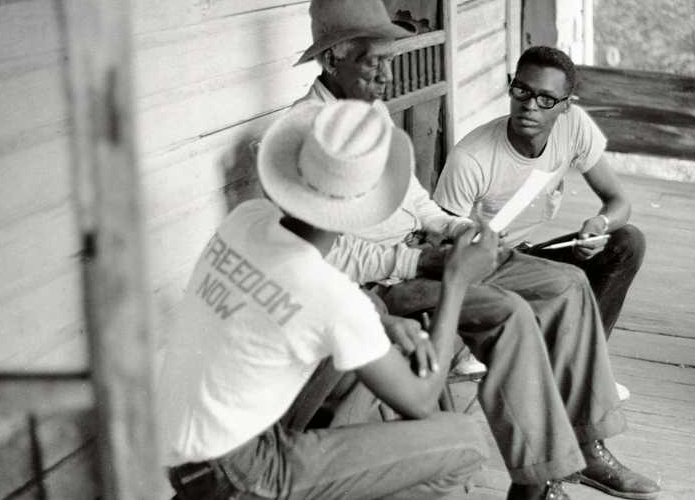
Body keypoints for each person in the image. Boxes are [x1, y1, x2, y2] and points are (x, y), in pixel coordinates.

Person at [288, 0, 660, 500]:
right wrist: (423, 255)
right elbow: (331, 250)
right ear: (332, 59)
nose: (387, 76)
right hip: (390, 279)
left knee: (569, 283)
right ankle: (538, 480)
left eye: (390, 61)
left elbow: (414, 199)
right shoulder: (309, 134)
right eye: (374, 62)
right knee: (510, 311)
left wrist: (457, 227)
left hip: (430, 249)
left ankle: (585, 446)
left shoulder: (366, 109)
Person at [157, 100, 496, 500]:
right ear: (366, 209)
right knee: (465, 441)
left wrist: (383, 323)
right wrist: (455, 279)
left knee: (368, 348)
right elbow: (421, 401)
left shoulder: (245, 219)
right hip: (244, 471)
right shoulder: (329, 297)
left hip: (178, 451)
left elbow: (285, 300)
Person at [433, 45, 646, 344]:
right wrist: (478, 243)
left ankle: (585, 356)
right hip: (485, 271)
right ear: (511, 88)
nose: (530, 105)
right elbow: (438, 248)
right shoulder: (471, 158)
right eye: (521, 91)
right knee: (567, 283)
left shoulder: (574, 126)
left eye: (546, 99)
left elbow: (618, 201)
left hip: (529, 256)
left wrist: (599, 226)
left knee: (627, 242)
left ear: (565, 106)